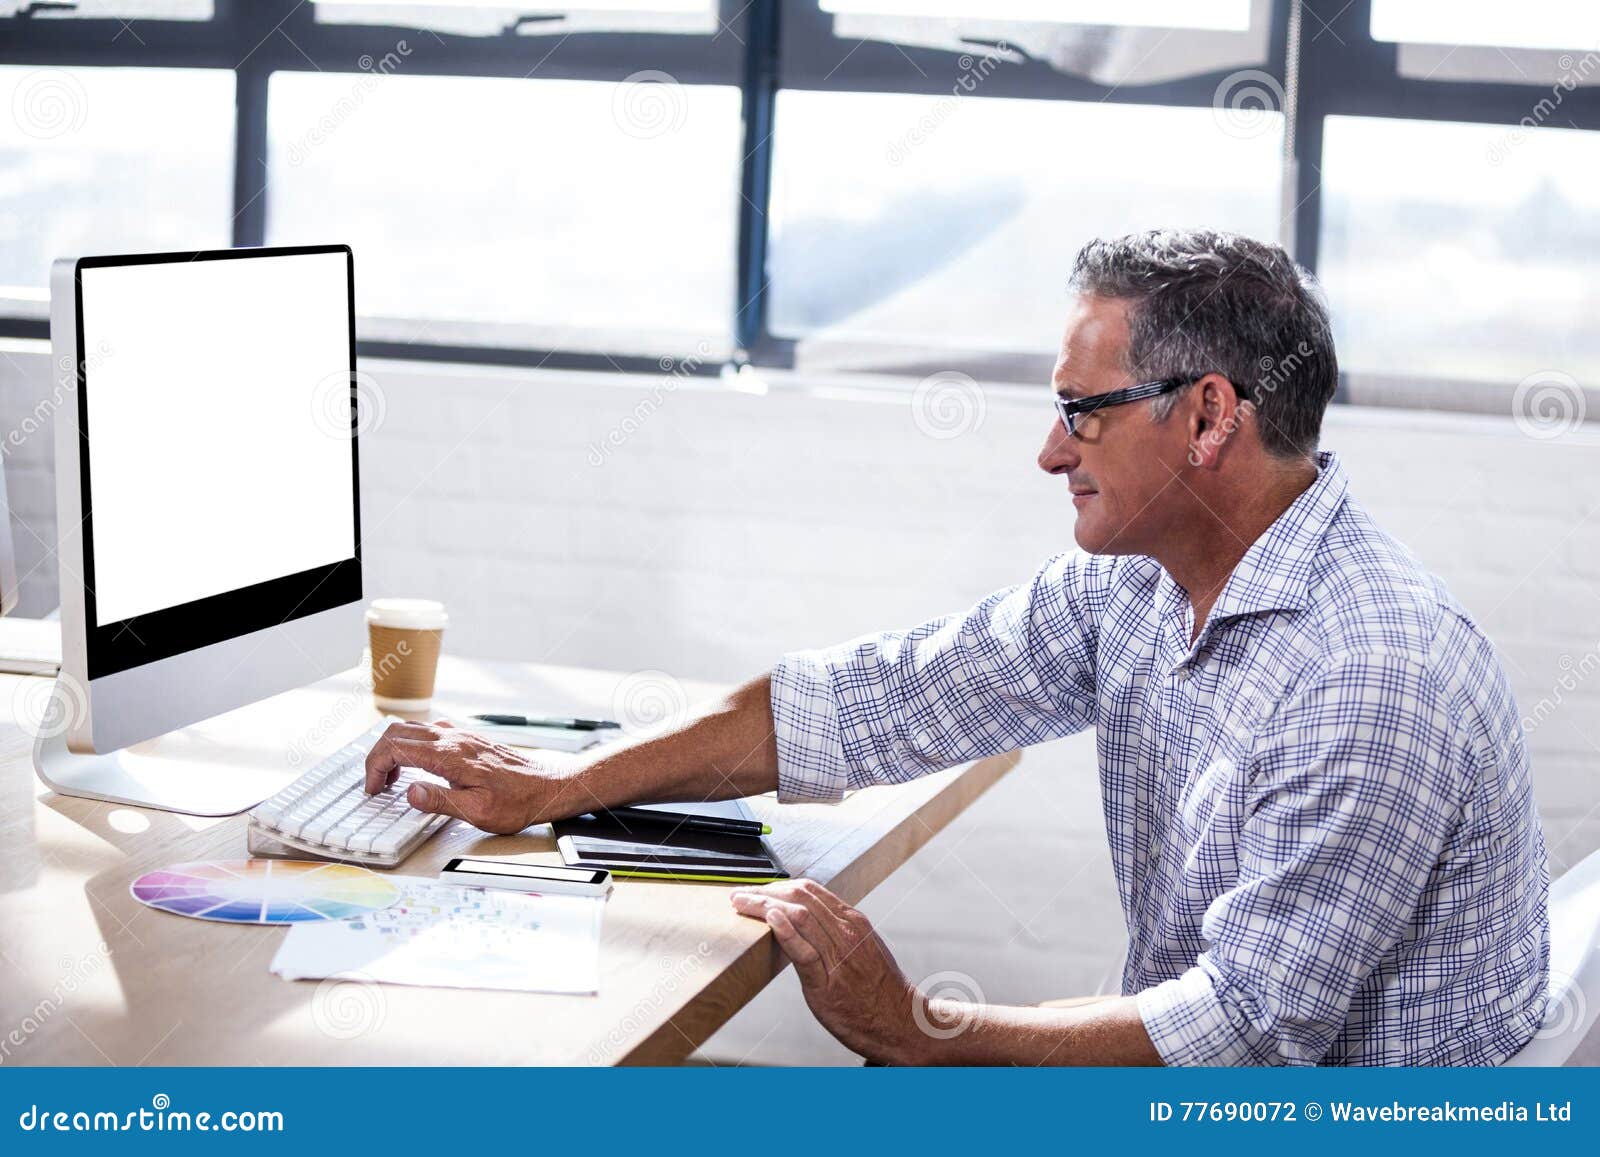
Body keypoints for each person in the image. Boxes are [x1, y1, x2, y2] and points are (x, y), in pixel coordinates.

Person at [365, 229, 1550, 1066]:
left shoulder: (1368, 675)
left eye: (1083, 409)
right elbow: (869, 702)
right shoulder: (1135, 583)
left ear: (1205, 417)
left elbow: (1235, 1039)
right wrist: (558, 783)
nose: (1050, 449)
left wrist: (918, 1031)